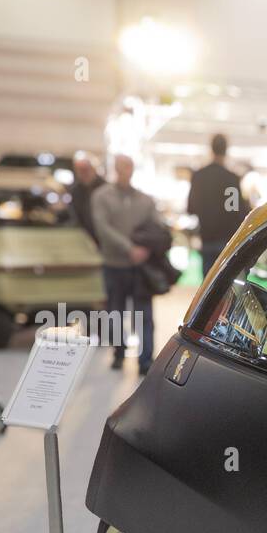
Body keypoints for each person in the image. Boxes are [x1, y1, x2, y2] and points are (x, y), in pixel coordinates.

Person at [91, 154, 159, 374]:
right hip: (114, 265)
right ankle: (119, 352)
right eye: (122, 167)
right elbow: (103, 228)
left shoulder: (146, 201)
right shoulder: (102, 197)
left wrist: (146, 249)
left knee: (145, 315)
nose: (126, 171)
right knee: (115, 313)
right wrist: (129, 249)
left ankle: (145, 359)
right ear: (115, 169)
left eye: (129, 166)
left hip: (141, 269)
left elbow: (156, 228)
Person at [188, 134, 250, 273]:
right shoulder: (231, 178)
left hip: (207, 238)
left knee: (209, 285)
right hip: (227, 240)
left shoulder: (199, 177)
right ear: (226, 150)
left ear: (211, 149)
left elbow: (191, 207)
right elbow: (234, 210)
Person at [67, 153, 105, 243]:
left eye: (86, 170)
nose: (84, 173)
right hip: (83, 235)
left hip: (101, 234)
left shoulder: (104, 188)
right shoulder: (75, 190)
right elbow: (74, 213)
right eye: (80, 170)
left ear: (92, 169)